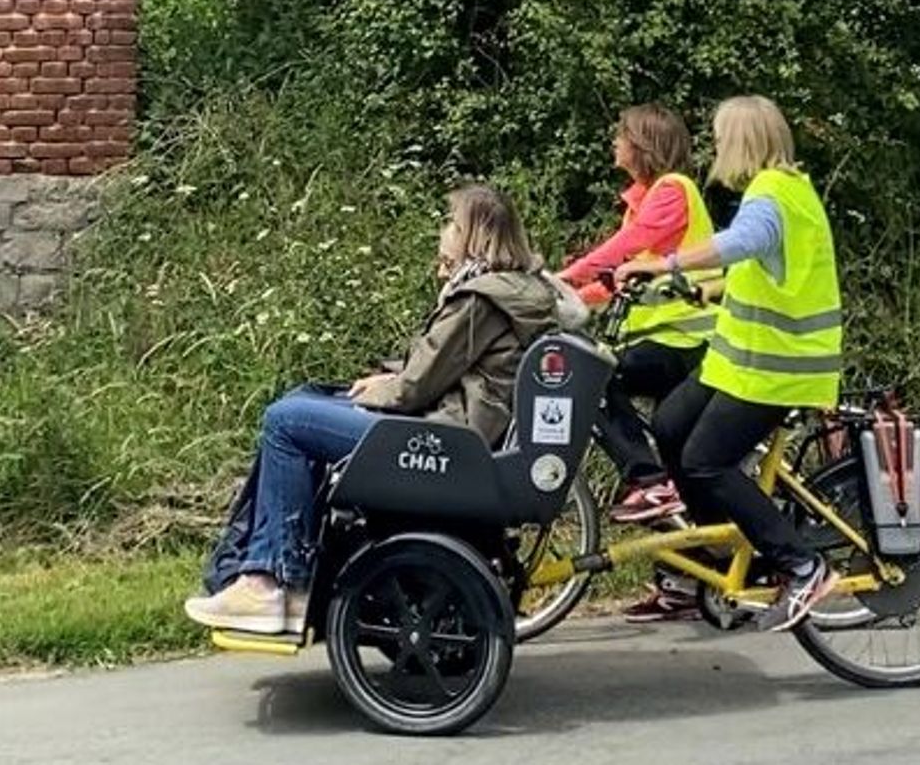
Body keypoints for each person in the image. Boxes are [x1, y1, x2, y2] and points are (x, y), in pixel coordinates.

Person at [186, 184, 572, 635]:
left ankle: (270, 583)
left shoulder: (481, 300)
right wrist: (384, 378)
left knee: (285, 421)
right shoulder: (508, 291)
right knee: (300, 402)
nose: (443, 230)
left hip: (442, 433)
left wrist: (379, 388)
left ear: (474, 234)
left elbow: (415, 386)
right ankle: (273, 577)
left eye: (450, 222)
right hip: (454, 427)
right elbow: (437, 366)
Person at [618, 95, 844, 632]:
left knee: (704, 461)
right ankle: (721, 555)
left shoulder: (771, 194)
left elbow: (744, 242)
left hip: (777, 368)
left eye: (722, 138)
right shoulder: (787, 191)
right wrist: (702, 290)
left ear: (743, 141)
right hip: (737, 361)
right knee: (670, 426)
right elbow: (758, 267)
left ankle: (803, 565)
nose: (717, 148)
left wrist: (666, 262)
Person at [558, 104, 722, 526]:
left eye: (621, 135)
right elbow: (615, 279)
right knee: (683, 469)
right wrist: (565, 299)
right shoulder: (645, 201)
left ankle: (648, 481)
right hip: (664, 344)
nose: (614, 142)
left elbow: (626, 247)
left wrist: (562, 277)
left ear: (642, 144)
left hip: (682, 342)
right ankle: (683, 583)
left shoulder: (673, 189)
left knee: (590, 377)